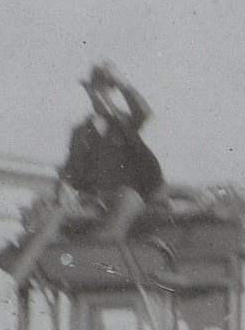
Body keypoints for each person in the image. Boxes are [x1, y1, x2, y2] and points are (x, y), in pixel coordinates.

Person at [58, 61, 166, 241]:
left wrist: (122, 83)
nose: (100, 94)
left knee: (130, 199)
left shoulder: (125, 123)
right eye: (96, 89)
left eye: (106, 90)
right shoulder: (80, 132)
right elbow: (71, 168)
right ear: (89, 92)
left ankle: (103, 244)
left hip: (121, 196)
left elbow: (144, 113)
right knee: (49, 207)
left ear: (112, 93)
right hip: (92, 197)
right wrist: (65, 185)